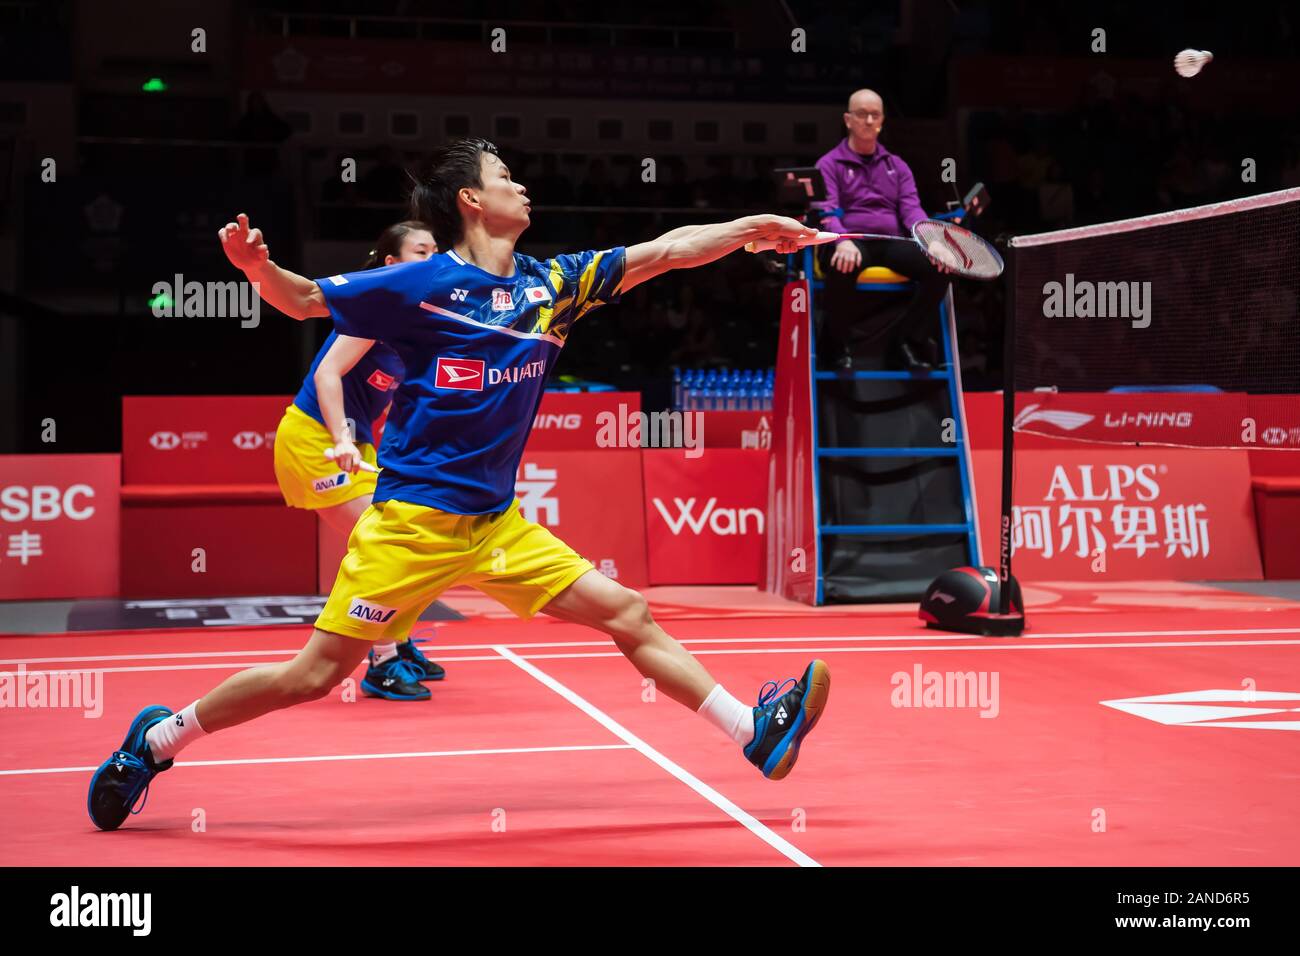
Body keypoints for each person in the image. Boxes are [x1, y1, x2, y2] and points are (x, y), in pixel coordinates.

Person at [87, 137, 831, 833]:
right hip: (411, 526)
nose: (522, 184)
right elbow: (307, 299)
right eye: (505, 176)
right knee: (312, 676)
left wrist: (748, 226)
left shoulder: (553, 286)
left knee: (627, 611)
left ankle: (753, 732)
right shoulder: (422, 284)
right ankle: (154, 742)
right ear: (472, 202)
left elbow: (666, 252)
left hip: (496, 526)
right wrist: (255, 270)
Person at [271, 220, 446, 701]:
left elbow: (388, 394)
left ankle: (400, 643)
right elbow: (328, 373)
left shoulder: (418, 320)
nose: (433, 258)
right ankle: (383, 663)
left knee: (407, 542)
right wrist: (342, 437)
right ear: (391, 265)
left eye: (437, 250)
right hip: (317, 442)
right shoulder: (375, 311)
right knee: (382, 549)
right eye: (420, 250)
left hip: (357, 443)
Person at [816, 88, 949, 369]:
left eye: (874, 115)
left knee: (941, 267)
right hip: (849, 241)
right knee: (843, 264)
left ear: (882, 120)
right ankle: (837, 347)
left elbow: (911, 209)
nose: (868, 120)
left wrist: (930, 241)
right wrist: (841, 240)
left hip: (890, 242)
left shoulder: (897, 166)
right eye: (861, 114)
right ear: (848, 120)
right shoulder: (828, 164)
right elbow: (826, 210)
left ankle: (906, 342)